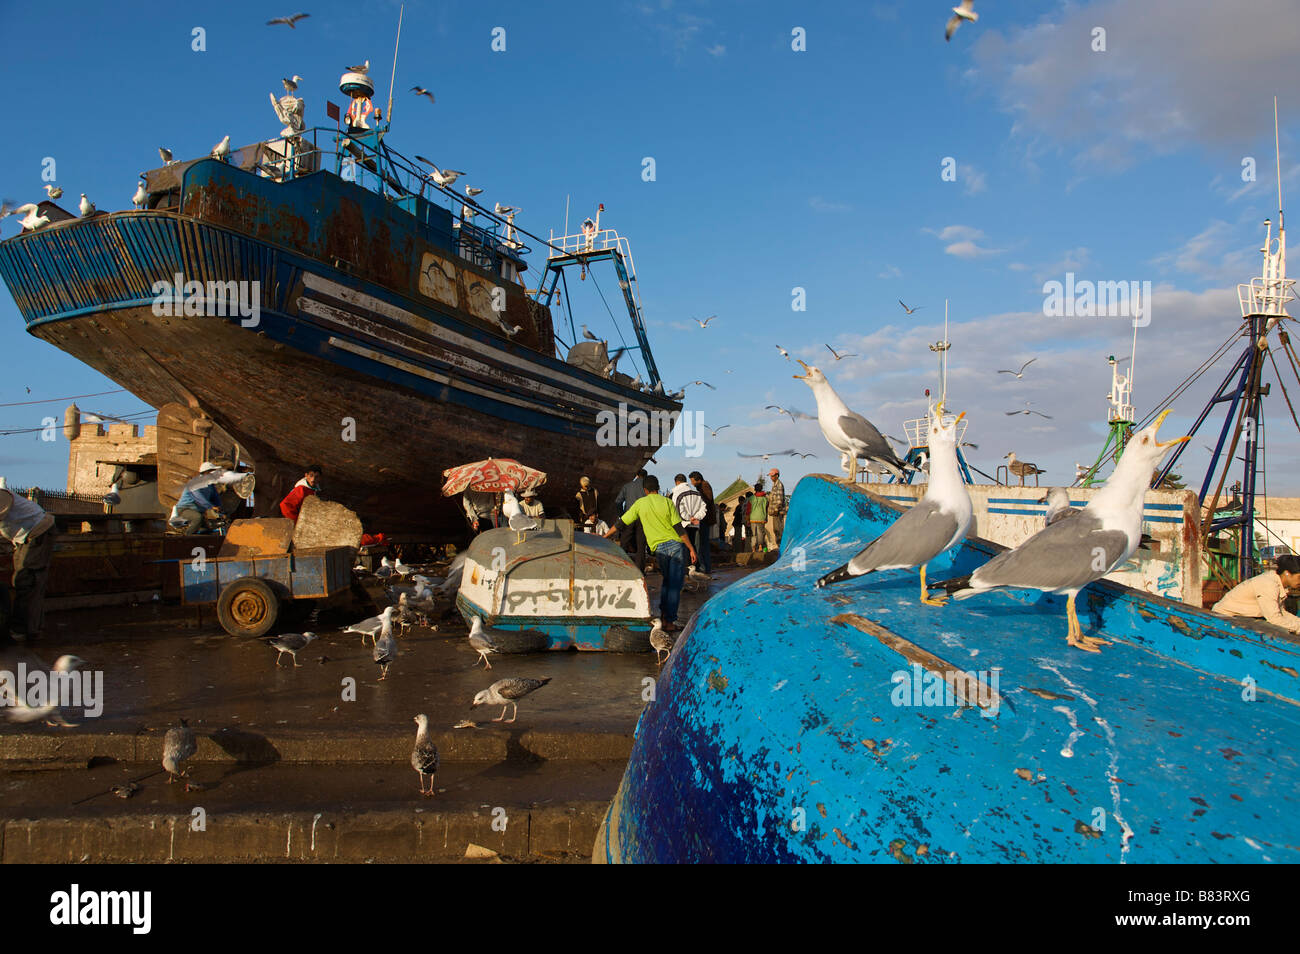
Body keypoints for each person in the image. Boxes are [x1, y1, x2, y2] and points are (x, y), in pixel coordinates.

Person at [603, 475, 696, 631]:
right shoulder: (667, 502)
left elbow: (621, 523)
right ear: (658, 488)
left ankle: (665, 617)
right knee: (675, 585)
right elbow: (679, 529)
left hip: (659, 549)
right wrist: (691, 548)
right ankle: (669, 621)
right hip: (676, 546)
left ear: (645, 490)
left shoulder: (640, 504)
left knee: (668, 582)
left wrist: (605, 536)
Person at [0, 488, 55, 641]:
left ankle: (24, 630)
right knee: (21, 581)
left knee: (27, 580)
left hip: (38, 532)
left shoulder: (1, 495)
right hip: (23, 538)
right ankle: (29, 627)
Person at [1212, 555, 1300, 633]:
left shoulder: (1277, 583)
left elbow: (1280, 613)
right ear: (1287, 573)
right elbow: (1274, 619)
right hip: (1225, 619)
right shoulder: (1268, 584)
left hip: (1243, 618)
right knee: (1281, 632)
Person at [171, 462, 247, 534]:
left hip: (199, 512)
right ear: (206, 472)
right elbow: (199, 497)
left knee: (207, 529)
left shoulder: (210, 486)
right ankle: (186, 537)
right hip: (184, 509)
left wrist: (221, 511)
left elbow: (216, 499)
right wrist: (211, 506)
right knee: (197, 518)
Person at [615, 469, 648, 570]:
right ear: (645, 476)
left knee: (624, 543)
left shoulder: (627, 486)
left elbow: (618, 502)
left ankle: (621, 567)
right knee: (641, 546)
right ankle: (640, 570)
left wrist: (622, 515)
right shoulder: (647, 488)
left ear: (636, 475)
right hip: (643, 519)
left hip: (629, 518)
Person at [670, 474, 706, 562]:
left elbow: (677, 510)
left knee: (685, 549)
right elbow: (703, 508)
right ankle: (698, 569)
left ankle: (688, 570)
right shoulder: (697, 493)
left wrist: (689, 519)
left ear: (676, 482)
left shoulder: (676, 493)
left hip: (683, 525)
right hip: (696, 524)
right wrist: (696, 518)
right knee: (696, 549)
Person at [689, 471, 715, 574]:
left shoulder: (705, 486)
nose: (692, 484)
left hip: (705, 519)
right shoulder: (703, 486)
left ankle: (705, 568)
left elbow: (706, 501)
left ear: (698, 480)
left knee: (702, 545)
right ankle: (705, 567)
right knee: (702, 545)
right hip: (704, 519)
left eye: (693, 481)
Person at [748, 482, 770, 554]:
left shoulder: (751, 498)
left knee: (754, 534)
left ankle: (753, 548)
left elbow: (748, 509)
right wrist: (766, 518)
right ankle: (760, 547)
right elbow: (766, 509)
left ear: (755, 489)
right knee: (760, 533)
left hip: (753, 518)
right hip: (761, 518)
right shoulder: (765, 499)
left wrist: (747, 518)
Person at [767, 467, 787, 547]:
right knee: (776, 530)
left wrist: (776, 509)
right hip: (775, 512)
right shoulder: (774, 485)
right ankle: (780, 546)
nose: (771, 478)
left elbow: (779, 500)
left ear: (777, 476)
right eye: (771, 476)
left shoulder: (779, 485)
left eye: (773, 476)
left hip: (778, 512)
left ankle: (781, 546)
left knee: (778, 530)